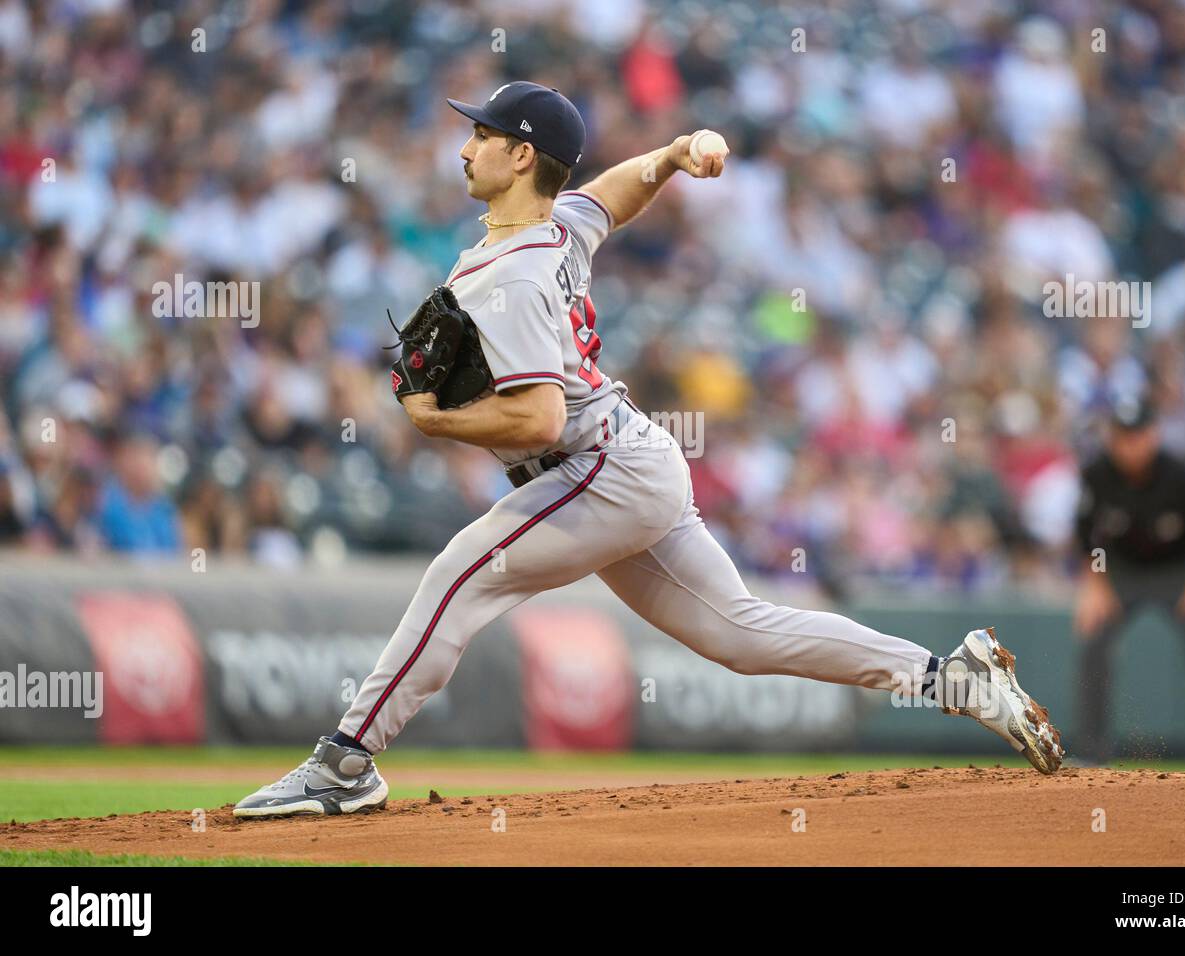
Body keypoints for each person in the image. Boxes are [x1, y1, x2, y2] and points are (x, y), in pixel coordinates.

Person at [233, 83, 1064, 818]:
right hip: (630, 461)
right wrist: (669, 153)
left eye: (482, 135)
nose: (466, 145)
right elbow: (613, 195)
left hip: (595, 466)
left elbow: (538, 421)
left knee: (460, 570)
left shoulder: (518, 272)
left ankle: (345, 762)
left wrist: (437, 422)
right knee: (741, 634)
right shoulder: (554, 230)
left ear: (522, 155)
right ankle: (950, 677)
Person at [1072, 395, 1185, 770]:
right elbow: (1087, 536)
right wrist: (1095, 588)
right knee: (1093, 641)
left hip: (1180, 571)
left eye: (1136, 435)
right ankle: (1090, 754)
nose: (1129, 445)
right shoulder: (1097, 474)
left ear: (1153, 435)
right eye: (1121, 436)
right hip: (1120, 571)